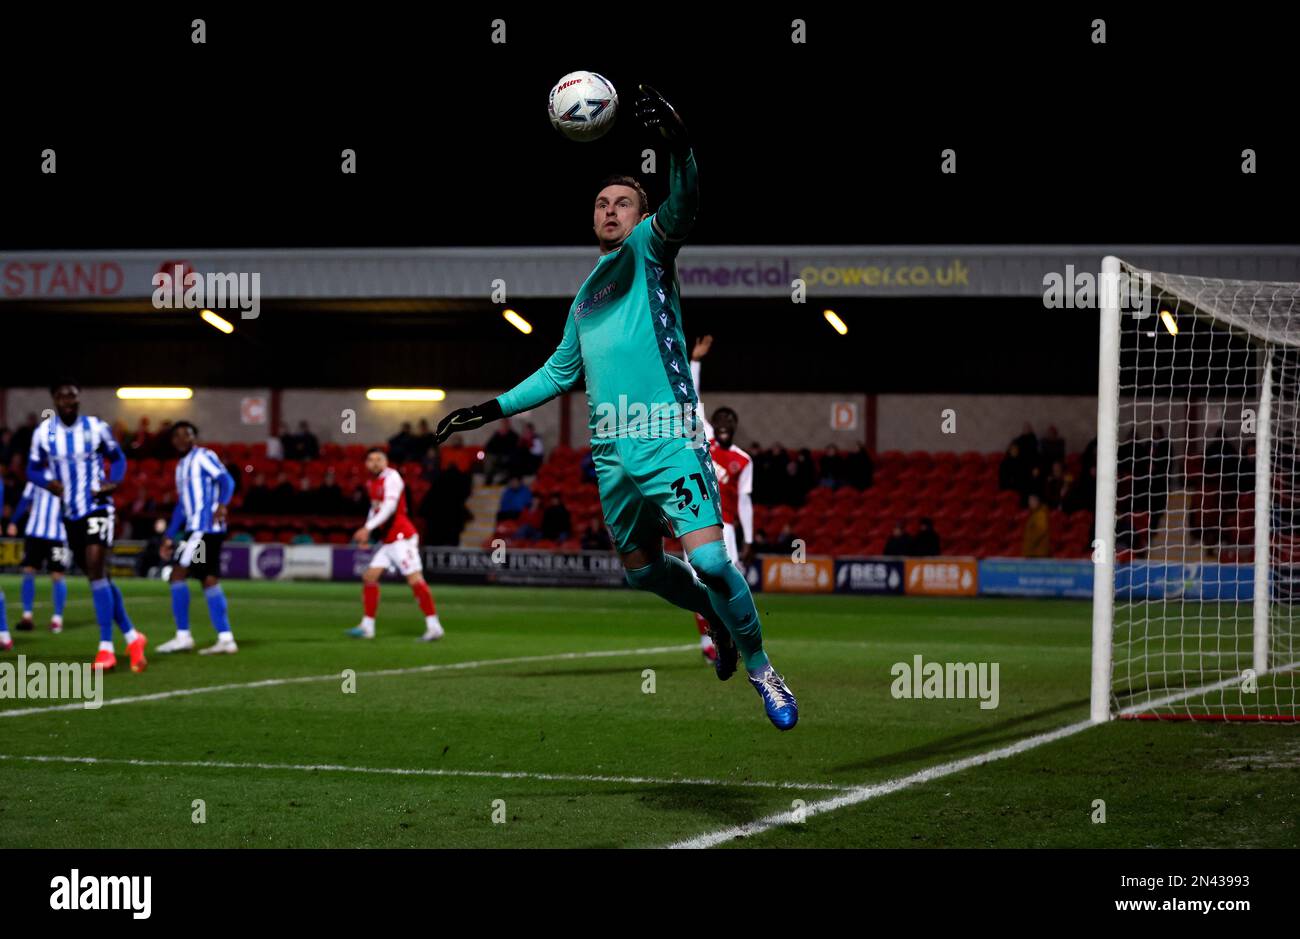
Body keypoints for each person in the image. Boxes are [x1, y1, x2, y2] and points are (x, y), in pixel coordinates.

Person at [432, 87, 796, 729]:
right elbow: (557, 372)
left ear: (640, 216)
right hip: (610, 451)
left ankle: (763, 668)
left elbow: (685, 205)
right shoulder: (583, 299)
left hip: (666, 435)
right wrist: (487, 409)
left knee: (711, 559)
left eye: (622, 202)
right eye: (601, 203)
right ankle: (712, 613)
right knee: (642, 572)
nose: (609, 210)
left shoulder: (650, 253)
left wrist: (680, 149)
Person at [26, 380, 146, 672]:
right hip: (71, 513)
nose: (70, 400)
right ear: (54, 399)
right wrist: (47, 482)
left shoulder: (95, 427)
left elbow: (118, 458)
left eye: (74, 396)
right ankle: (132, 636)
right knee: (99, 577)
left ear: (79, 400)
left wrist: (113, 482)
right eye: (64, 395)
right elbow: (32, 469)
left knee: (95, 569)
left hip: (98, 506)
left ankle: (106, 648)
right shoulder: (44, 433)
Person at [689, 336, 756, 663]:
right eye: (721, 420)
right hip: (696, 523)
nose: (725, 425)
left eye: (731, 421)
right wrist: (696, 362)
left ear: (736, 427)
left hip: (726, 527)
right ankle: (708, 642)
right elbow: (692, 398)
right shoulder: (702, 440)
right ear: (713, 425)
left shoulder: (743, 460)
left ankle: (736, 638)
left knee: (727, 585)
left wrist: (750, 538)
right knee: (697, 584)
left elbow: (745, 502)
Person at [157, 422, 239, 654]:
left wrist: (222, 504)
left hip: (204, 528)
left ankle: (183, 636)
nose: (183, 439)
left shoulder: (203, 456)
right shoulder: (181, 466)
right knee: (208, 579)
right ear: (173, 441)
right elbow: (182, 506)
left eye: (188, 434)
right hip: (199, 529)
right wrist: (169, 535)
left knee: (177, 575)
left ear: (194, 437)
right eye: (178, 436)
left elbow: (227, 481)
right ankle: (225, 638)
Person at [348, 448, 443, 641]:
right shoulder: (371, 482)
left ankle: (434, 626)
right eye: (371, 460)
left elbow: (390, 508)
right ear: (366, 464)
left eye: (379, 459)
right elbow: (375, 509)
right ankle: (367, 626)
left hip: (401, 537)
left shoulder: (392, 478)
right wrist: (368, 530)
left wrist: (368, 528)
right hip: (388, 539)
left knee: (414, 579)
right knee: (370, 577)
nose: (375, 463)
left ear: (386, 462)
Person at [6, 478, 70, 633]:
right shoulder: (36, 478)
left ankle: (57, 618)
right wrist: (14, 521)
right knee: (28, 571)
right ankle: (27, 615)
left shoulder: (68, 477)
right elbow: (25, 500)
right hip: (34, 532)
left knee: (57, 575)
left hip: (58, 535)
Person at [1022, 493, 1051, 557]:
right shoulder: (1034, 514)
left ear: (1037, 501)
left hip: (1037, 553)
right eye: (1029, 501)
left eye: (1032, 501)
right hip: (1033, 552)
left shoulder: (1040, 514)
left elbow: (1041, 530)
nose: (1030, 503)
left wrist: (1030, 543)